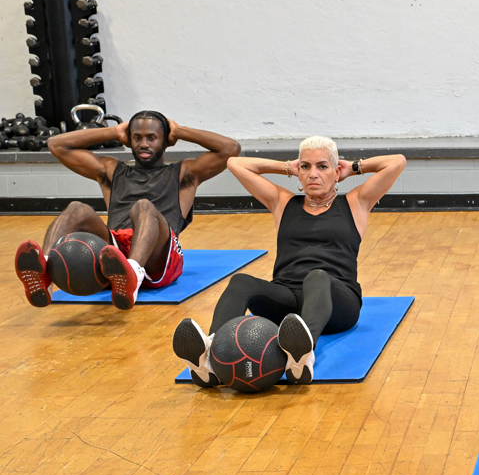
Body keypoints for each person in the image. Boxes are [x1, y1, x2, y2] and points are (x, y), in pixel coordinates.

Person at [171, 137, 406, 387]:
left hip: (337, 301)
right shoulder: (282, 202)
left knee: (317, 276)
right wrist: (287, 166)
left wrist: (353, 168)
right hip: (287, 304)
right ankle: (210, 355)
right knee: (241, 281)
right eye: (305, 167)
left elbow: (396, 162)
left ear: (336, 172)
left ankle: (303, 353)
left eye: (322, 167)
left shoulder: (355, 202)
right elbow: (236, 163)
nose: (313, 174)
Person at [15, 112, 240, 309]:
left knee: (143, 206)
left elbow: (231, 149)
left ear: (165, 141)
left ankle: (133, 273)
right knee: (76, 209)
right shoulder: (113, 171)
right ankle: (44, 270)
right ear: (129, 140)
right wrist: (114, 131)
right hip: (115, 252)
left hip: (160, 254)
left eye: (152, 138)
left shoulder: (184, 174)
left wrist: (179, 130)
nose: (144, 144)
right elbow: (56, 144)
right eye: (137, 137)